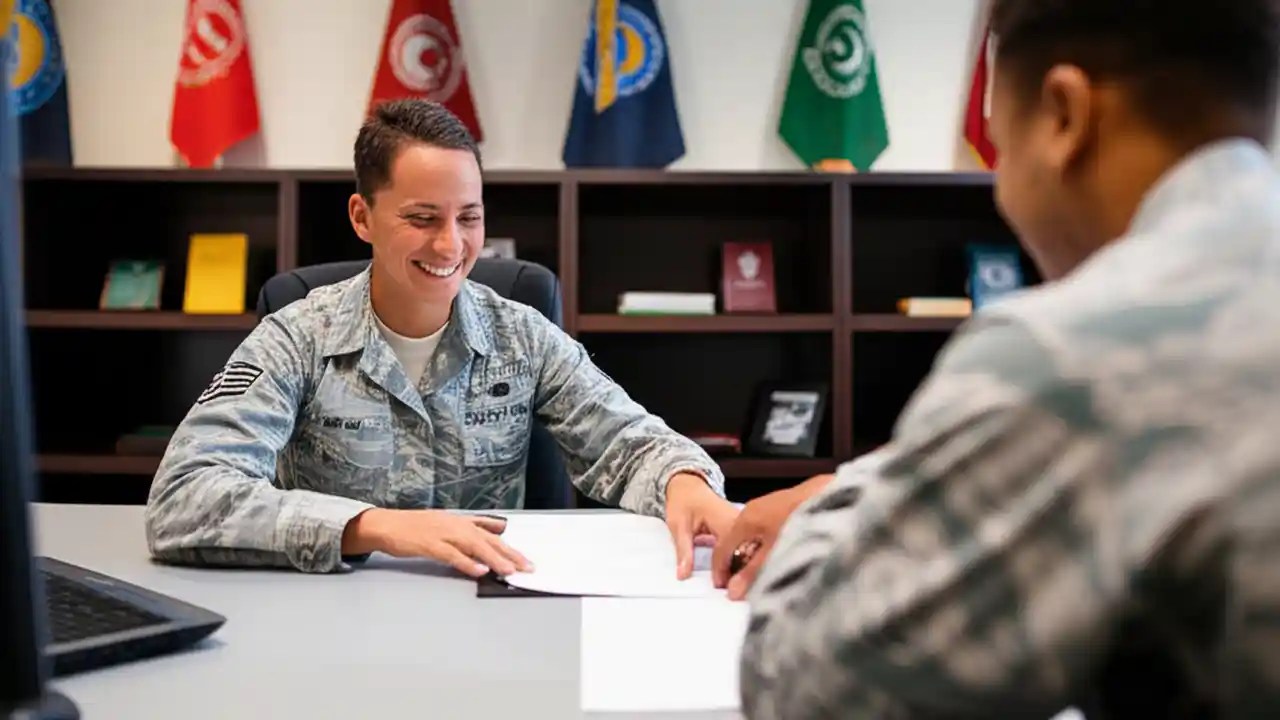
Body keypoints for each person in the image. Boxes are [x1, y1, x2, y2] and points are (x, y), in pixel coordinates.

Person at [717, 0, 1280, 717]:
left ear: (1062, 115)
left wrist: (832, 512)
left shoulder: (1075, 346)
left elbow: (805, 688)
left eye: (1001, 148)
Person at [145, 99, 737, 579]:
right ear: (362, 217)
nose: (451, 246)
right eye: (422, 219)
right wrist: (375, 527)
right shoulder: (297, 338)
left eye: (469, 218)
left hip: (490, 610)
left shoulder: (523, 336)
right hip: (334, 616)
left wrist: (687, 484)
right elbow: (183, 499)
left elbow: (632, 442)